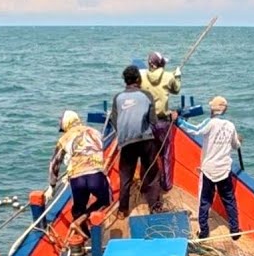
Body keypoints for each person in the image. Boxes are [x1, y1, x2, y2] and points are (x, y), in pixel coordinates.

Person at [180, 96, 243, 239]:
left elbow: (195, 130)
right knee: (229, 201)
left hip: (209, 170)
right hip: (224, 170)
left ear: (212, 109)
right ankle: (234, 230)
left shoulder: (210, 123)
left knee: (205, 201)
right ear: (224, 109)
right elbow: (236, 145)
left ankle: (204, 232)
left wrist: (179, 120)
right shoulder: (230, 125)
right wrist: (239, 140)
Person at [48, 109, 111, 244]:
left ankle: (86, 236)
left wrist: (52, 186)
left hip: (77, 179)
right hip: (96, 175)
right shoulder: (95, 132)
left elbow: (55, 164)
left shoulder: (63, 139)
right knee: (105, 200)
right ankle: (81, 221)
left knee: (77, 209)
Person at [112, 64, 163, 216]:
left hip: (126, 142)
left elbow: (115, 122)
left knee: (125, 176)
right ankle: (154, 206)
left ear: (125, 81)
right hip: (145, 139)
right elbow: (153, 121)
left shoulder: (118, 98)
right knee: (152, 173)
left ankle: (122, 210)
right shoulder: (146, 95)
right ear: (138, 80)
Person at [141, 51, 182, 192]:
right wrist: (177, 76)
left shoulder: (141, 76)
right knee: (165, 154)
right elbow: (176, 89)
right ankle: (166, 185)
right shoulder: (168, 76)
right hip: (163, 122)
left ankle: (146, 185)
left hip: (147, 122)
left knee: (147, 155)